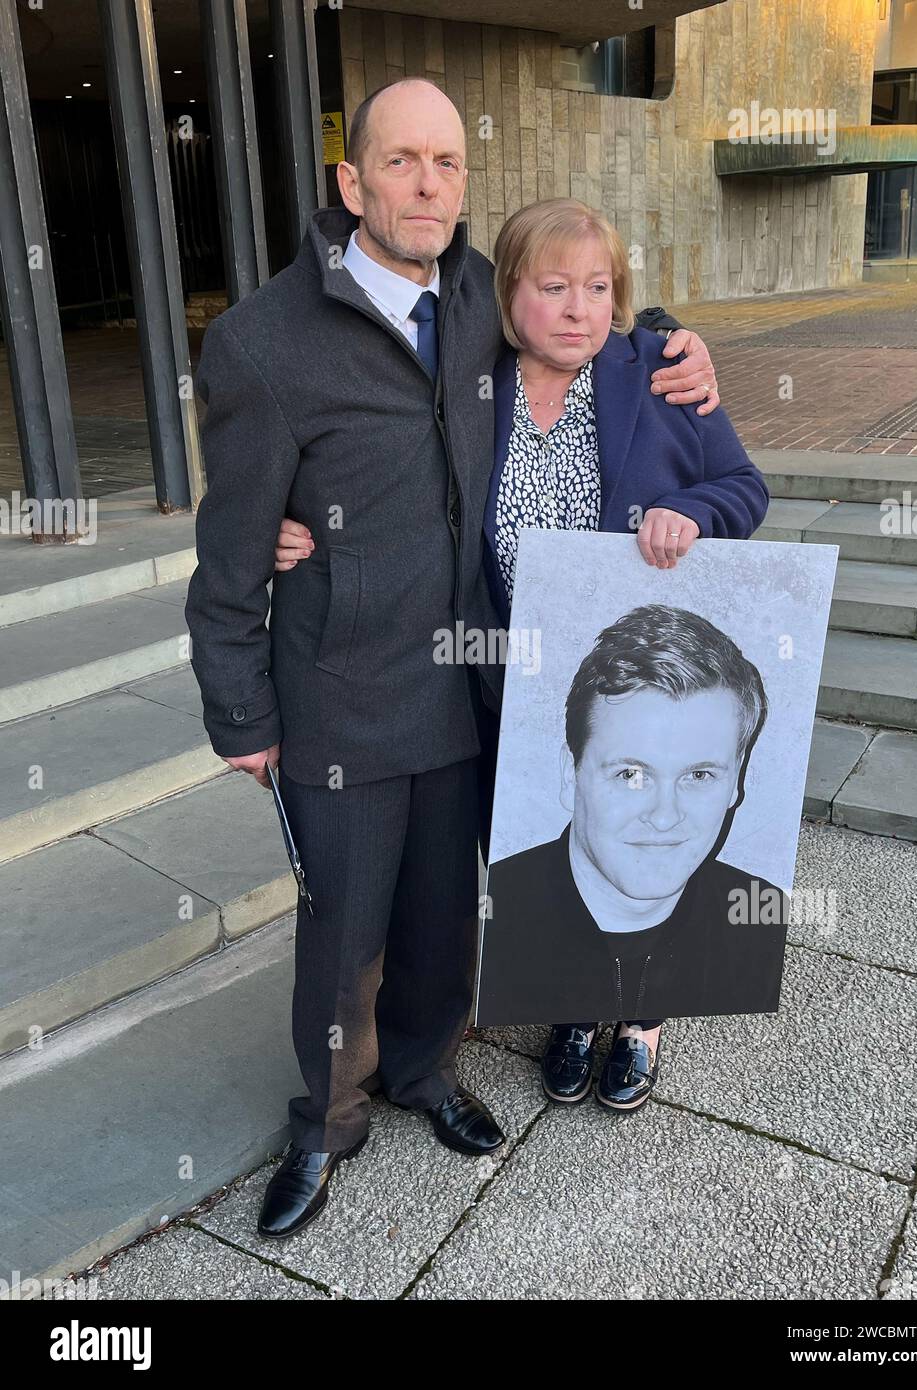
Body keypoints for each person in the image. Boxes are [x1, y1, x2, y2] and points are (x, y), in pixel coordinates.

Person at [198, 79, 718, 1244]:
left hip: (473, 683)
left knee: (445, 911)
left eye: (445, 163)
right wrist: (239, 708)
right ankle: (326, 1122)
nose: (426, 184)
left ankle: (424, 1071)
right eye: (400, 163)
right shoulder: (262, 341)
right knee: (344, 927)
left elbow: (585, 308)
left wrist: (680, 343)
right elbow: (228, 546)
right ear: (352, 184)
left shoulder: (483, 295)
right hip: (336, 689)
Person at [475, 603, 790, 1111]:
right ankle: (575, 1009)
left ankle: (643, 1023)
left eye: (700, 775)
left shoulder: (758, 913)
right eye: (630, 774)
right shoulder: (505, 896)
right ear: (569, 773)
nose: (664, 817)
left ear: (737, 780)